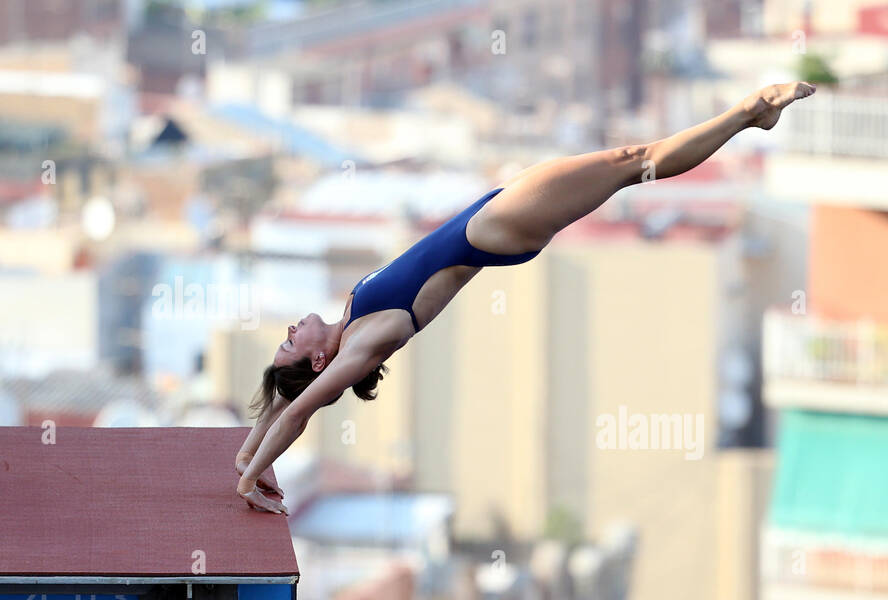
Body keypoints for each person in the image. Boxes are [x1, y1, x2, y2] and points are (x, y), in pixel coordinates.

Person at [236, 82, 817, 513]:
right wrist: (250, 481)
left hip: (491, 216)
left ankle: (748, 116)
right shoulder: (360, 346)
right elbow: (301, 409)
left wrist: (247, 457)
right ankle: (749, 113)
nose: (289, 330)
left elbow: (279, 406)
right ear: (317, 362)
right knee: (633, 163)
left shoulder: (348, 322)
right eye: (289, 345)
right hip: (496, 228)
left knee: (629, 162)